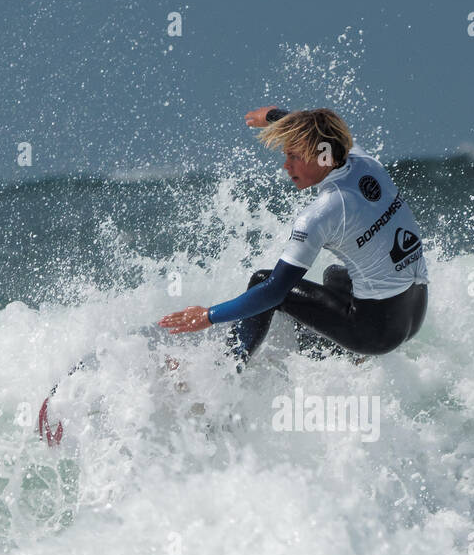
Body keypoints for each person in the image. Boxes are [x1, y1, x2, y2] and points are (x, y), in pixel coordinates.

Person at [158, 106, 429, 366]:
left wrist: (209, 315)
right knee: (335, 276)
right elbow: (321, 133)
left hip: (376, 335)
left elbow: (274, 290)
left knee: (262, 282)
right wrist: (276, 117)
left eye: (294, 157)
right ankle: (331, 351)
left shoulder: (322, 213)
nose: (286, 166)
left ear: (320, 156)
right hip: (414, 314)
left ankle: (228, 368)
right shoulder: (362, 160)